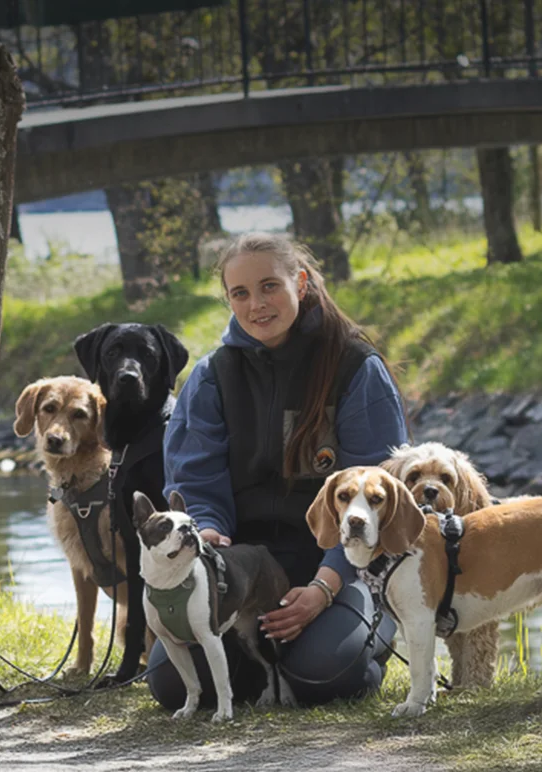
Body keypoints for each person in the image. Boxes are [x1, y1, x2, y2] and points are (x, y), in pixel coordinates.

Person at [150, 231, 408, 710]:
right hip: (243, 576)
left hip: (345, 570)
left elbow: (376, 501)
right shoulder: (211, 376)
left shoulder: (356, 368)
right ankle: (261, 667)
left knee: (322, 675)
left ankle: (352, 645)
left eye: (270, 286)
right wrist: (209, 536)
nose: (256, 305)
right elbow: (193, 480)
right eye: (240, 293)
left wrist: (323, 588)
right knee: (172, 684)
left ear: (301, 283)